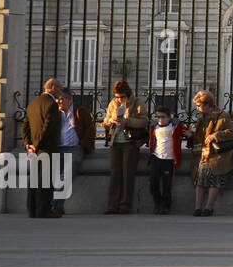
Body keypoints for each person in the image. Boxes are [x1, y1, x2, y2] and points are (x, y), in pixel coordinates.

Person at [101, 79, 148, 214]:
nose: (119, 99)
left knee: (127, 174)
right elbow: (105, 120)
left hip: (130, 143)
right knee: (115, 174)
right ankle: (112, 205)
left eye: (122, 97)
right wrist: (111, 120)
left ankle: (125, 205)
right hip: (115, 142)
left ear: (128, 94)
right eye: (116, 96)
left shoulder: (137, 103)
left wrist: (127, 121)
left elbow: (144, 121)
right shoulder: (112, 103)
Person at [22, 78, 63, 218]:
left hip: (33, 149)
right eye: (60, 89)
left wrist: (28, 144)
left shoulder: (33, 103)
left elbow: (26, 126)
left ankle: (32, 210)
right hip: (47, 148)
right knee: (45, 181)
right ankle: (43, 210)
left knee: (33, 180)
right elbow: (48, 128)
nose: (61, 92)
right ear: (52, 88)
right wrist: (37, 144)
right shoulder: (51, 104)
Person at [51, 87, 96, 216]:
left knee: (65, 175)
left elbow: (90, 130)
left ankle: (54, 204)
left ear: (69, 99)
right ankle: (57, 206)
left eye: (61, 100)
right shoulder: (56, 113)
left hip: (75, 148)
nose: (59, 102)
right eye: (57, 100)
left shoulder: (80, 112)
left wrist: (82, 145)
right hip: (59, 148)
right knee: (54, 176)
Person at [190, 90, 233, 216]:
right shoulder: (201, 118)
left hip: (217, 155)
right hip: (203, 154)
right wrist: (191, 134)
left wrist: (215, 135)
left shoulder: (222, 116)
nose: (197, 108)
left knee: (214, 180)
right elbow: (199, 136)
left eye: (199, 105)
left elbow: (231, 133)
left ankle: (209, 208)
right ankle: (197, 208)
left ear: (207, 104)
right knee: (199, 181)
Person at [146, 106, 188, 214]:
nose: (160, 119)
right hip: (156, 157)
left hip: (169, 159)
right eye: (158, 117)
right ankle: (158, 203)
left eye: (163, 117)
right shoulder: (154, 127)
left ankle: (166, 205)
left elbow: (186, 132)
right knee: (153, 183)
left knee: (167, 185)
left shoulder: (175, 127)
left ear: (169, 117)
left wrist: (189, 134)